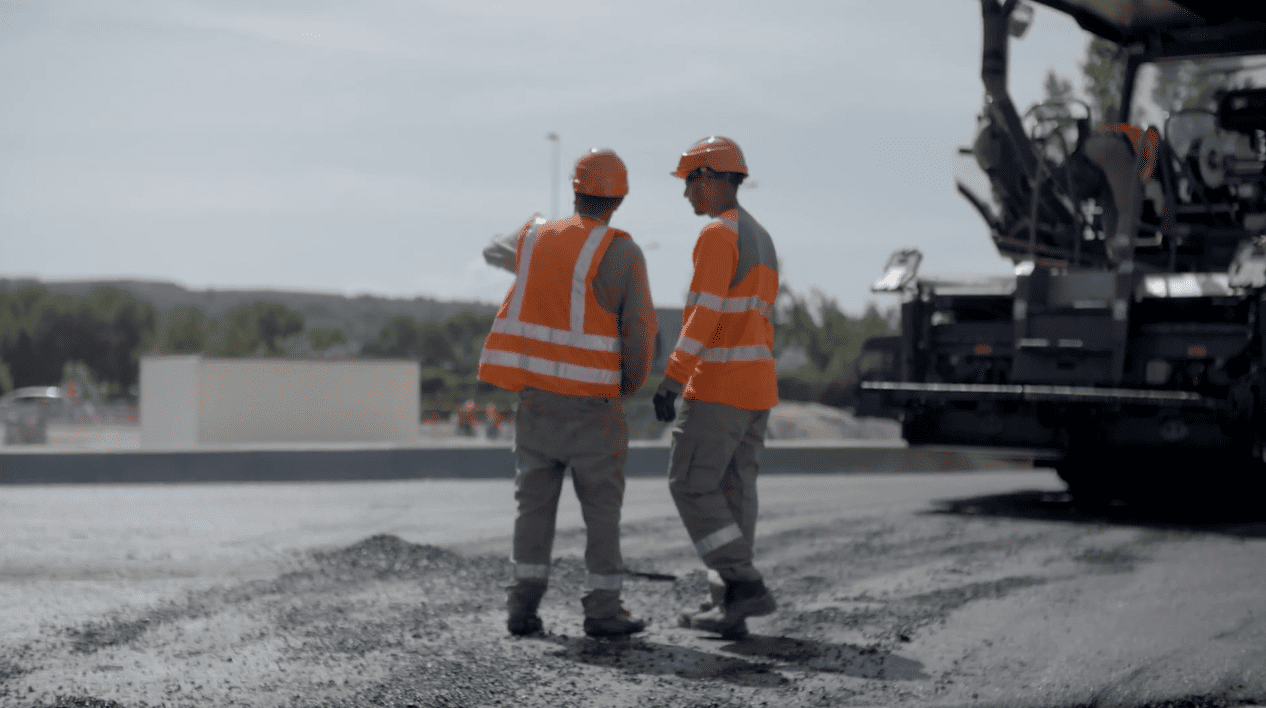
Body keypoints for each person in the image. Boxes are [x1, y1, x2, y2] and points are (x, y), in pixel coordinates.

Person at [478, 148, 657, 638]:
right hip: (594, 409)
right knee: (602, 511)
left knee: (532, 508)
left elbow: (493, 249)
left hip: (537, 406)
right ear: (618, 199)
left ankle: (522, 607)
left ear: (576, 191)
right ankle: (602, 609)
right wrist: (629, 385)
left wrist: (538, 231)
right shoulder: (623, 253)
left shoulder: (534, 240)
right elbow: (640, 331)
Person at [652, 136, 779, 640]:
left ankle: (743, 583)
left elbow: (705, 314)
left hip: (721, 387)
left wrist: (672, 378)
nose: (686, 194)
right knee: (733, 494)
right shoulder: (760, 235)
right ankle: (728, 603)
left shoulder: (718, 235)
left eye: (689, 182)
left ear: (712, 178)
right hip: (757, 389)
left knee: (688, 483)